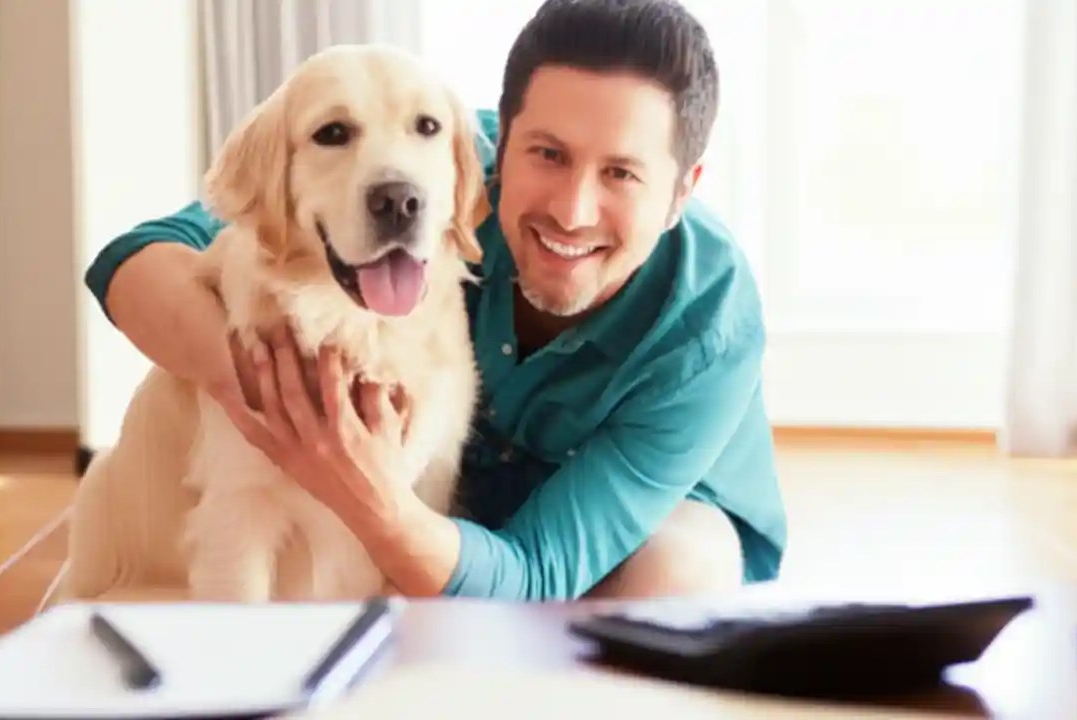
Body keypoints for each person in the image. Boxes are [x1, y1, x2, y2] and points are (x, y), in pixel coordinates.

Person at [83, 0, 787, 601]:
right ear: (498, 143)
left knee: (677, 568)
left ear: (682, 190)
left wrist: (370, 496)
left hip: (606, 525)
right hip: (445, 500)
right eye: (546, 154)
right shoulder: (435, 158)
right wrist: (272, 399)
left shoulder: (707, 332)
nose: (573, 210)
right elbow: (138, 259)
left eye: (622, 173)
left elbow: (542, 570)